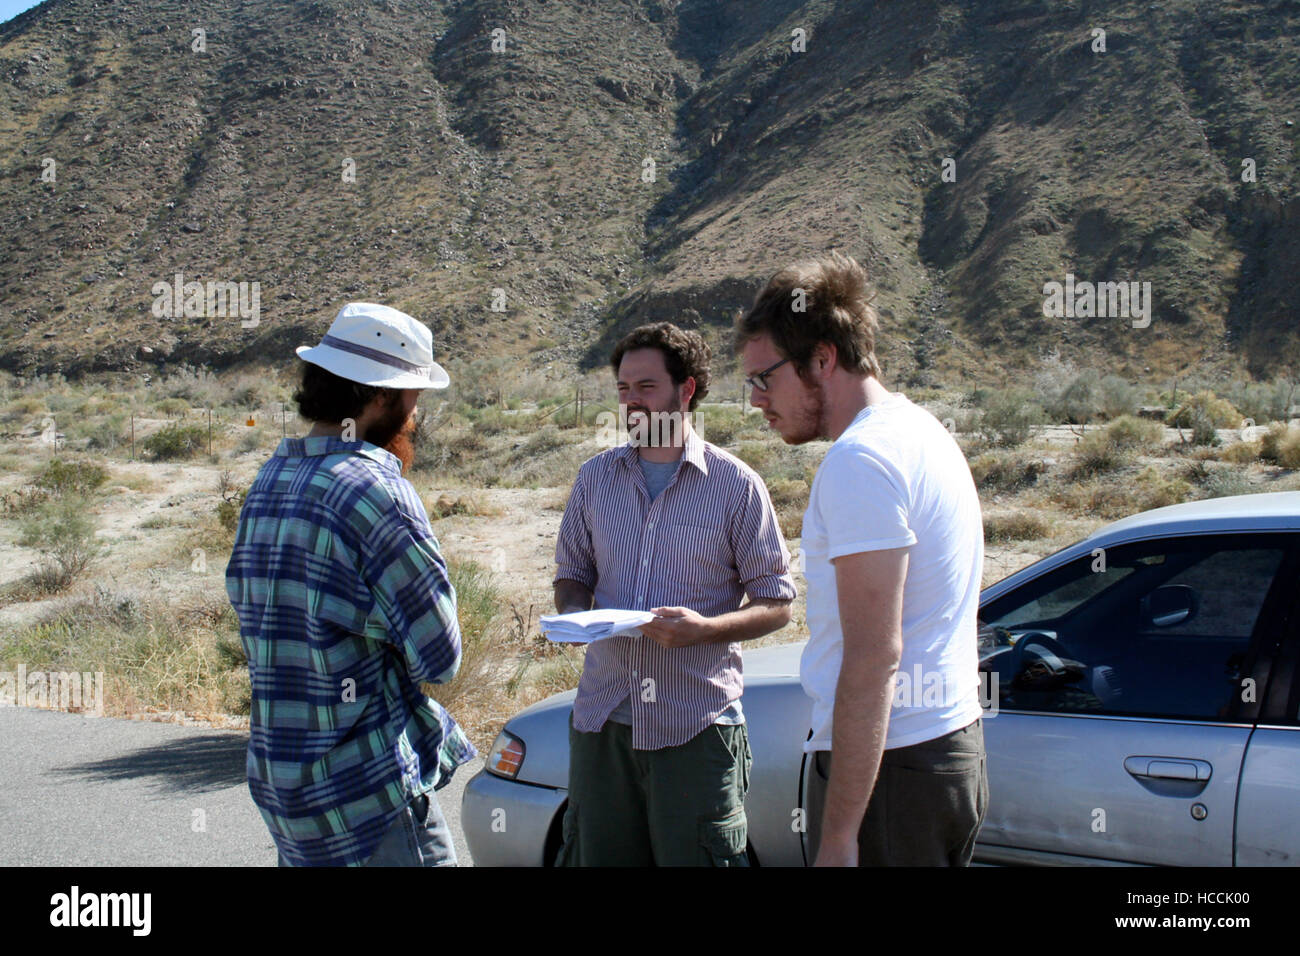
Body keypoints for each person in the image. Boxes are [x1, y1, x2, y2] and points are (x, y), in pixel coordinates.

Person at [735, 253, 987, 867]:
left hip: (892, 772)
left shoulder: (861, 461)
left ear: (822, 359)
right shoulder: (921, 430)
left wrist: (841, 834)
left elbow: (875, 655)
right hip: (943, 748)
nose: (755, 401)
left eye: (765, 378)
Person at [225, 302, 475, 867]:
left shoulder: (271, 479)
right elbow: (440, 657)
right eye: (412, 397)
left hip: (285, 787)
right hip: (366, 795)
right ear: (381, 396)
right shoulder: (375, 490)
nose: (415, 414)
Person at [553, 322, 796, 866]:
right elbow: (573, 570)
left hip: (695, 723)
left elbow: (777, 603)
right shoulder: (595, 479)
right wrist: (573, 615)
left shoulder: (737, 486)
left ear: (685, 391)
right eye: (622, 389)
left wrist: (705, 630)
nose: (631, 402)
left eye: (645, 387)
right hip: (603, 719)